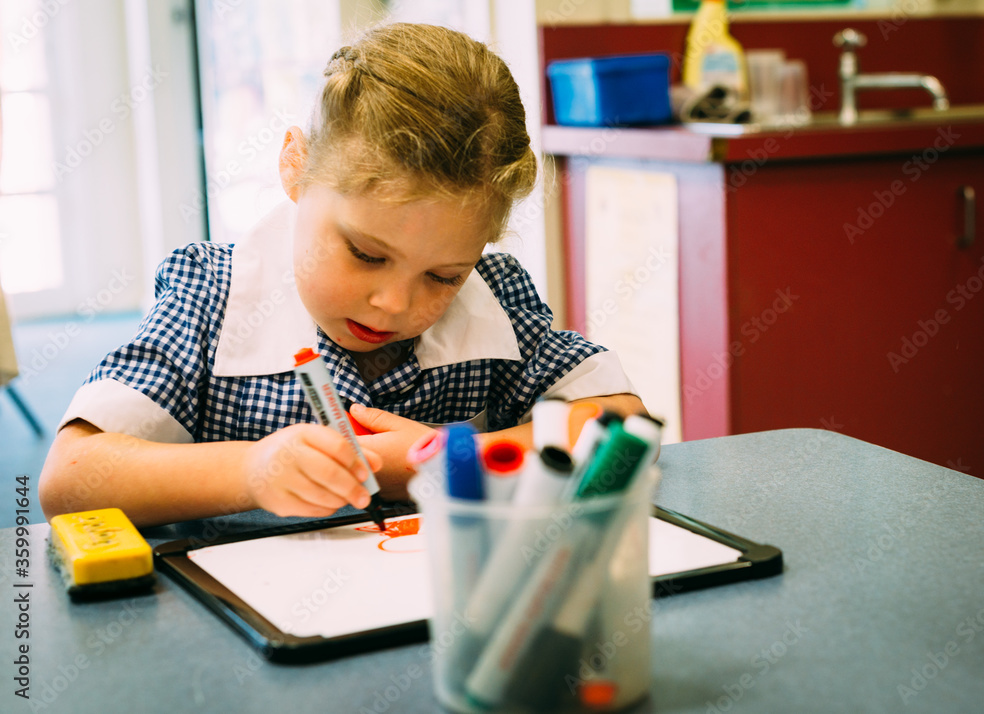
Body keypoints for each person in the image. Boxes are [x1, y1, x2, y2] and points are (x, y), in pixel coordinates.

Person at [40, 23, 646, 527]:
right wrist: (251, 472)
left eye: (443, 276)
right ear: (295, 167)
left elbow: (622, 428)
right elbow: (69, 479)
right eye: (366, 253)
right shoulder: (213, 296)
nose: (393, 303)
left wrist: (429, 457)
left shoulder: (498, 298)